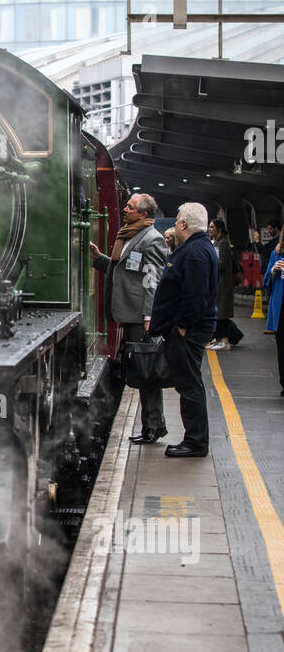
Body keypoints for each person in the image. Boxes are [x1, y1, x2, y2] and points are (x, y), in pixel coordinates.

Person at [90, 192, 168, 443]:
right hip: (128, 312)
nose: (124, 209)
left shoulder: (152, 239)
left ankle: (153, 427)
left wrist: (149, 315)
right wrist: (98, 258)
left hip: (139, 315)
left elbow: (151, 281)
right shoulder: (130, 234)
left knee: (147, 372)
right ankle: (152, 425)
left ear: (143, 214)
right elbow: (122, 270)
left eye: (130, 207)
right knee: (142, 370)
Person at [148, 202, 218, 457]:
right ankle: (194, 438)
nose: (175, 223)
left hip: (189, 330)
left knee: (189, 385)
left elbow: (195, 295)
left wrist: (183, 327)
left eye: (177, 220)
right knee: (188, 384)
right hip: (188, 328)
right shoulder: (195, 248)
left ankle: (196, 441)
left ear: (184, 224)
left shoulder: (195, 252)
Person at [207, 220, 244, 351]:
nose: (209, 229)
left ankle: (224, 340)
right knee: (219, 314)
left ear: (219, 229)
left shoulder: (223, 244)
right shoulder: (217, 242)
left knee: (221, 314)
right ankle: (218, 339)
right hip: (218, 283)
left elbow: (222, 264)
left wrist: (209, 260)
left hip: (223, 284)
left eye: (212, 227)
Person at [263, 225, 284, 396]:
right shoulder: (276, 253)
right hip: (280, 306)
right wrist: (273, 271)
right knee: (281, 346)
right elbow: (266, 281)